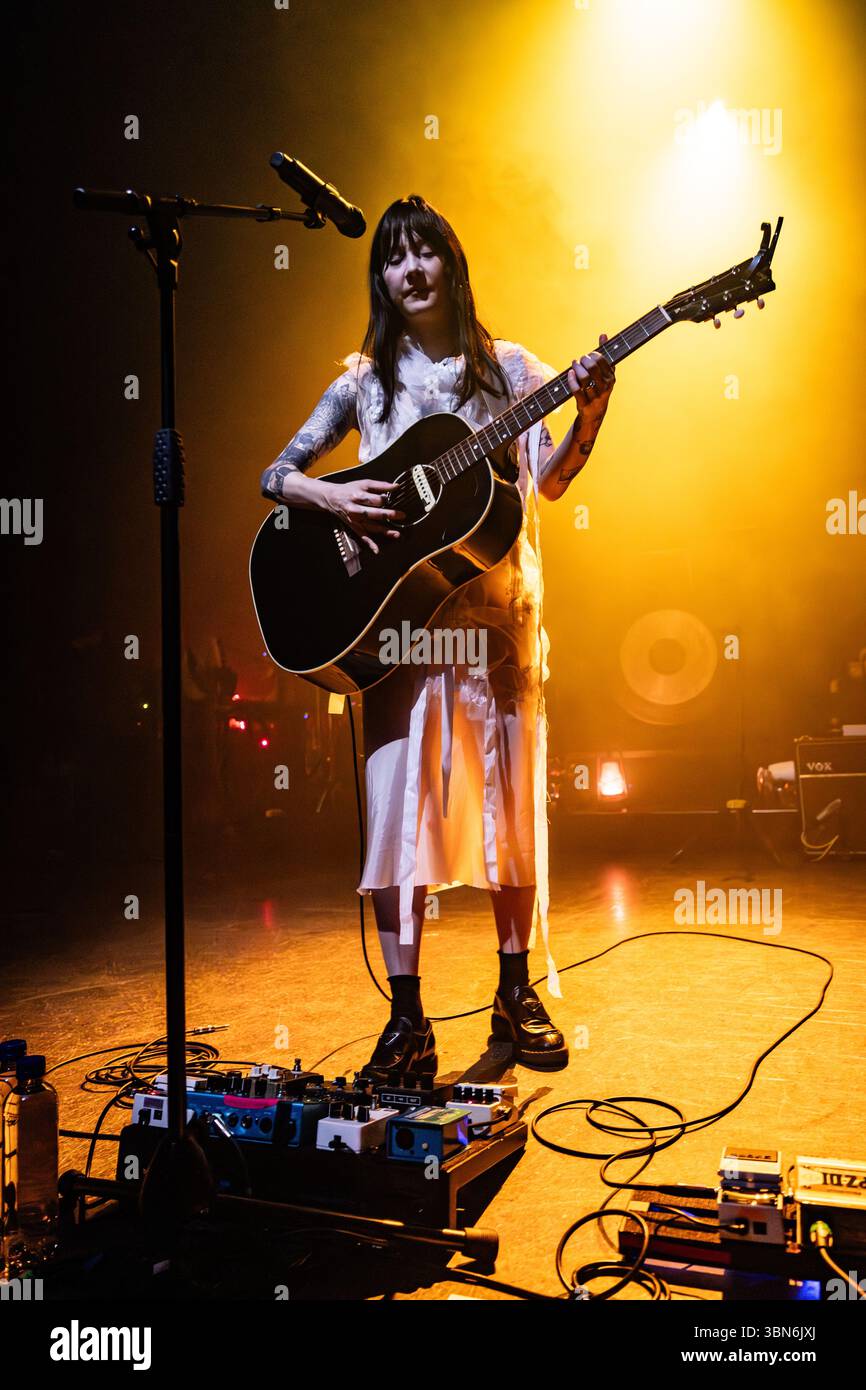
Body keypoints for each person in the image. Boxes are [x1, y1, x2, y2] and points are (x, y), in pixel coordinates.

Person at [260, 194, 615, 1078]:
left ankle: (513, 990)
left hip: (494, 631)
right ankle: (408, 1019)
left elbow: (555, 479)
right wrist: (333, 495)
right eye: (393, 258)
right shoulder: (363, 381)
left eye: (425, 253)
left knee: (510, 811)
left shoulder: (511, 372)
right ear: (380, 278)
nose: (410, 270)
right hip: (398, 631)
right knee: (396, 817)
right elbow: (278, 473)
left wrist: (592, 411)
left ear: (453, 265)